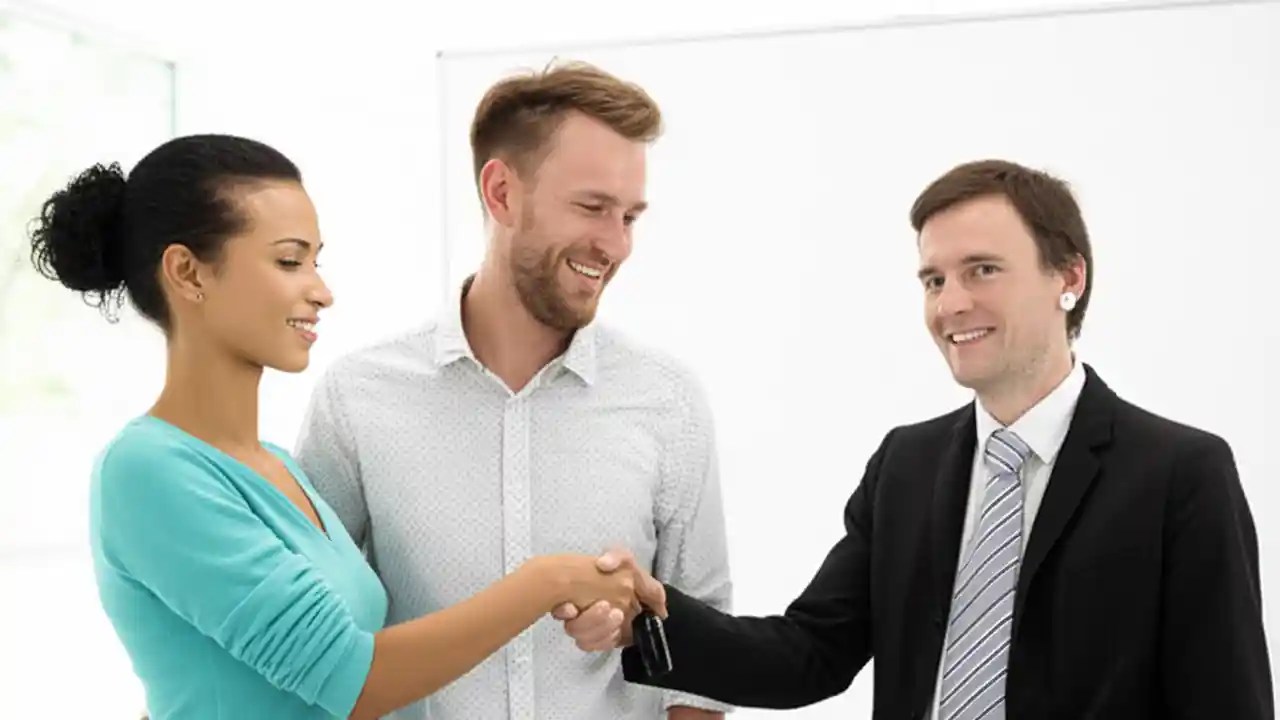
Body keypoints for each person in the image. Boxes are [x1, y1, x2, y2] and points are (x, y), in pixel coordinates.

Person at [561, 159, 1275, 718]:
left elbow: (1226, 705)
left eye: (982, 271)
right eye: (933, 279)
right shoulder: (908, 466)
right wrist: (648, 613)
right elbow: (809, 654)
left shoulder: (1181, 475)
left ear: (1069, 277)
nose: (951, 303)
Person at [30, 133, 659, 720]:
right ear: (189, 273)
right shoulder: (148, 470)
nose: (321, 291)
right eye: (288, 261)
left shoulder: (278, 467)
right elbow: (352, 679)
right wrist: (544, 581)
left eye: (315, 261)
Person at [293, 61, 733, 720]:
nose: (615, 244)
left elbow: (703, 660)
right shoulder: (358, 399)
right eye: (591, 207)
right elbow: (311, 629)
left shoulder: (667, 400)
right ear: (501, 193)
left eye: (630, 216)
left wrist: (637, 622)